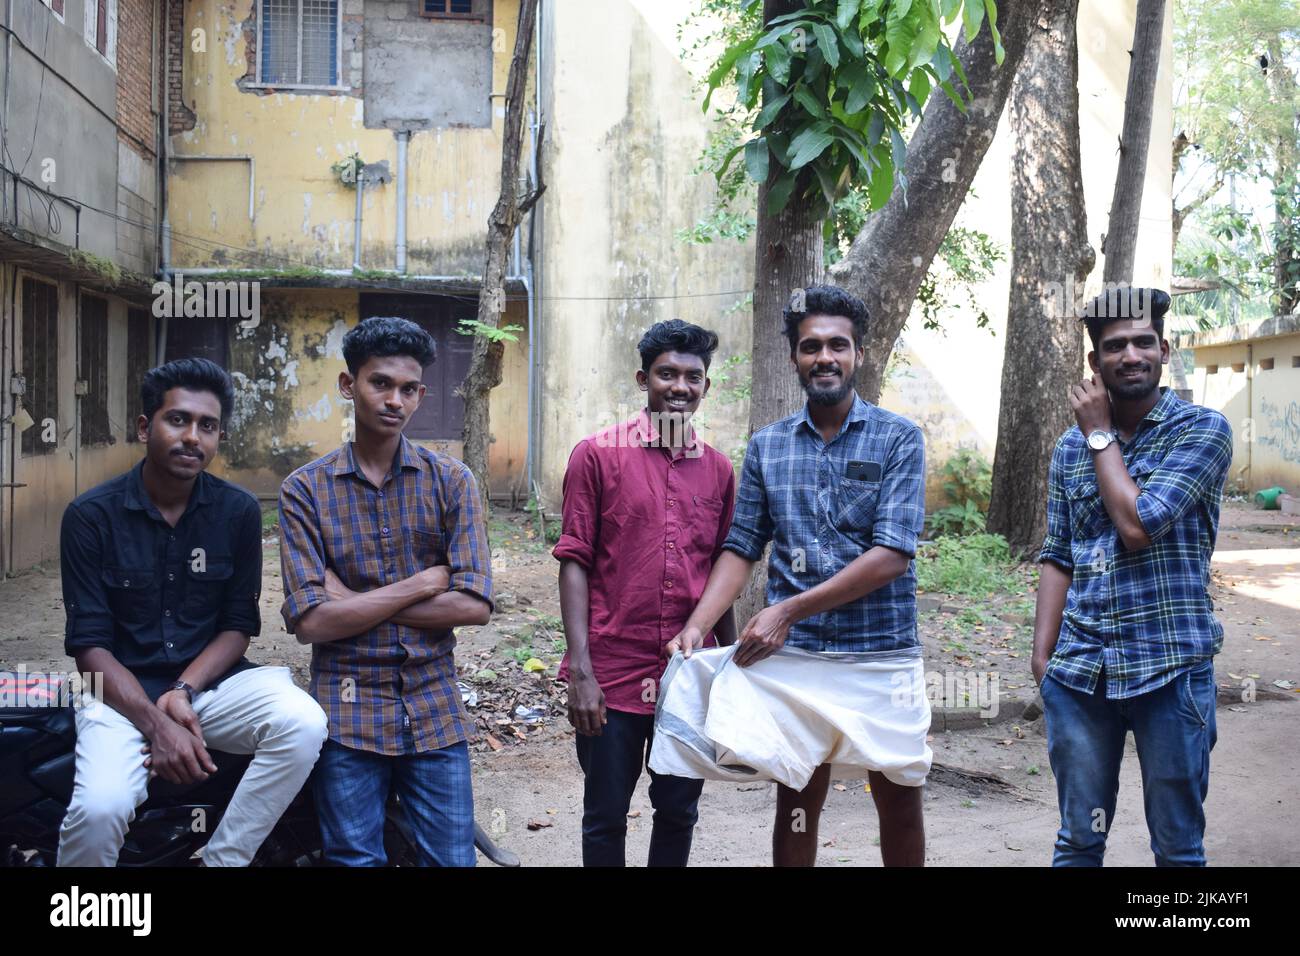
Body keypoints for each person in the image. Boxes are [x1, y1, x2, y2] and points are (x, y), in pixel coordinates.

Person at [668, 285, 930, 867]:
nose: (825, 357)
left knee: (899, 797)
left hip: (880, 653)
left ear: (858, 353)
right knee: (797, 797)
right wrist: (698, 625)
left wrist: (785, 610)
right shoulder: (768, 445)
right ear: (794, 358)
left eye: (838, 345)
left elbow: (891, 554)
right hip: (798, 660)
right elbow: (742, 545)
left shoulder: (899, 438)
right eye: (811, 346)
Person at [58, 358, 327, 866]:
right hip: (120, 696)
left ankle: (221, 860)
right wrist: (157, 726)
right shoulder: (91, 517)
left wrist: (183, 691)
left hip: (211, 688)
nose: (192, 437)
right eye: (177, 420)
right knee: (99, 810)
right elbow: (89, 646)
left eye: (207, 426)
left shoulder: (238, 511)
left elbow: (237, 626)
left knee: (303, 721)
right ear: (145, 426)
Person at [278, 316, 493, 866]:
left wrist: (350, 600)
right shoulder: (305, 491)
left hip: (433, 706)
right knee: (354, 860)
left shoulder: (452, 482)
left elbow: (472, 605)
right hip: (348, 713)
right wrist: (423, 583)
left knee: (451, 860)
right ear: (349, 385)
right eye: (380, 383)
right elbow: (311, 624)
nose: (393, 399)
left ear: (420, 394)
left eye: (407, 388)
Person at [1033, 286, 1231, 866]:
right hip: (1080, 674)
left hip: (1169, 668)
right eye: (1115, 346)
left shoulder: (1201, 431)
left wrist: (1099, 435)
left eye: (1144, 342)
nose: (1131, 355)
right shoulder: (1070, 449)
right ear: (1095, 363)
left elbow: (1138, 525)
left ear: (1165, 350)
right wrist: (1043, 659)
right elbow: (1058, 553)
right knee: (1078, 840)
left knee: (1176, 845)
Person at [553, 319, 737, 867]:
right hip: (611, 670)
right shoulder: (596, 456)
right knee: (605, 815)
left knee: (678, 811)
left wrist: (727, 669)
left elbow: (724, 570)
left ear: (706, 386)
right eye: (667, 374)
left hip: (687, 673)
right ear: (643, 379)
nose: (680, 387)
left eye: (693, 377)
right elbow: (574, 559)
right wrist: (581, 671)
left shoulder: (721, 470)